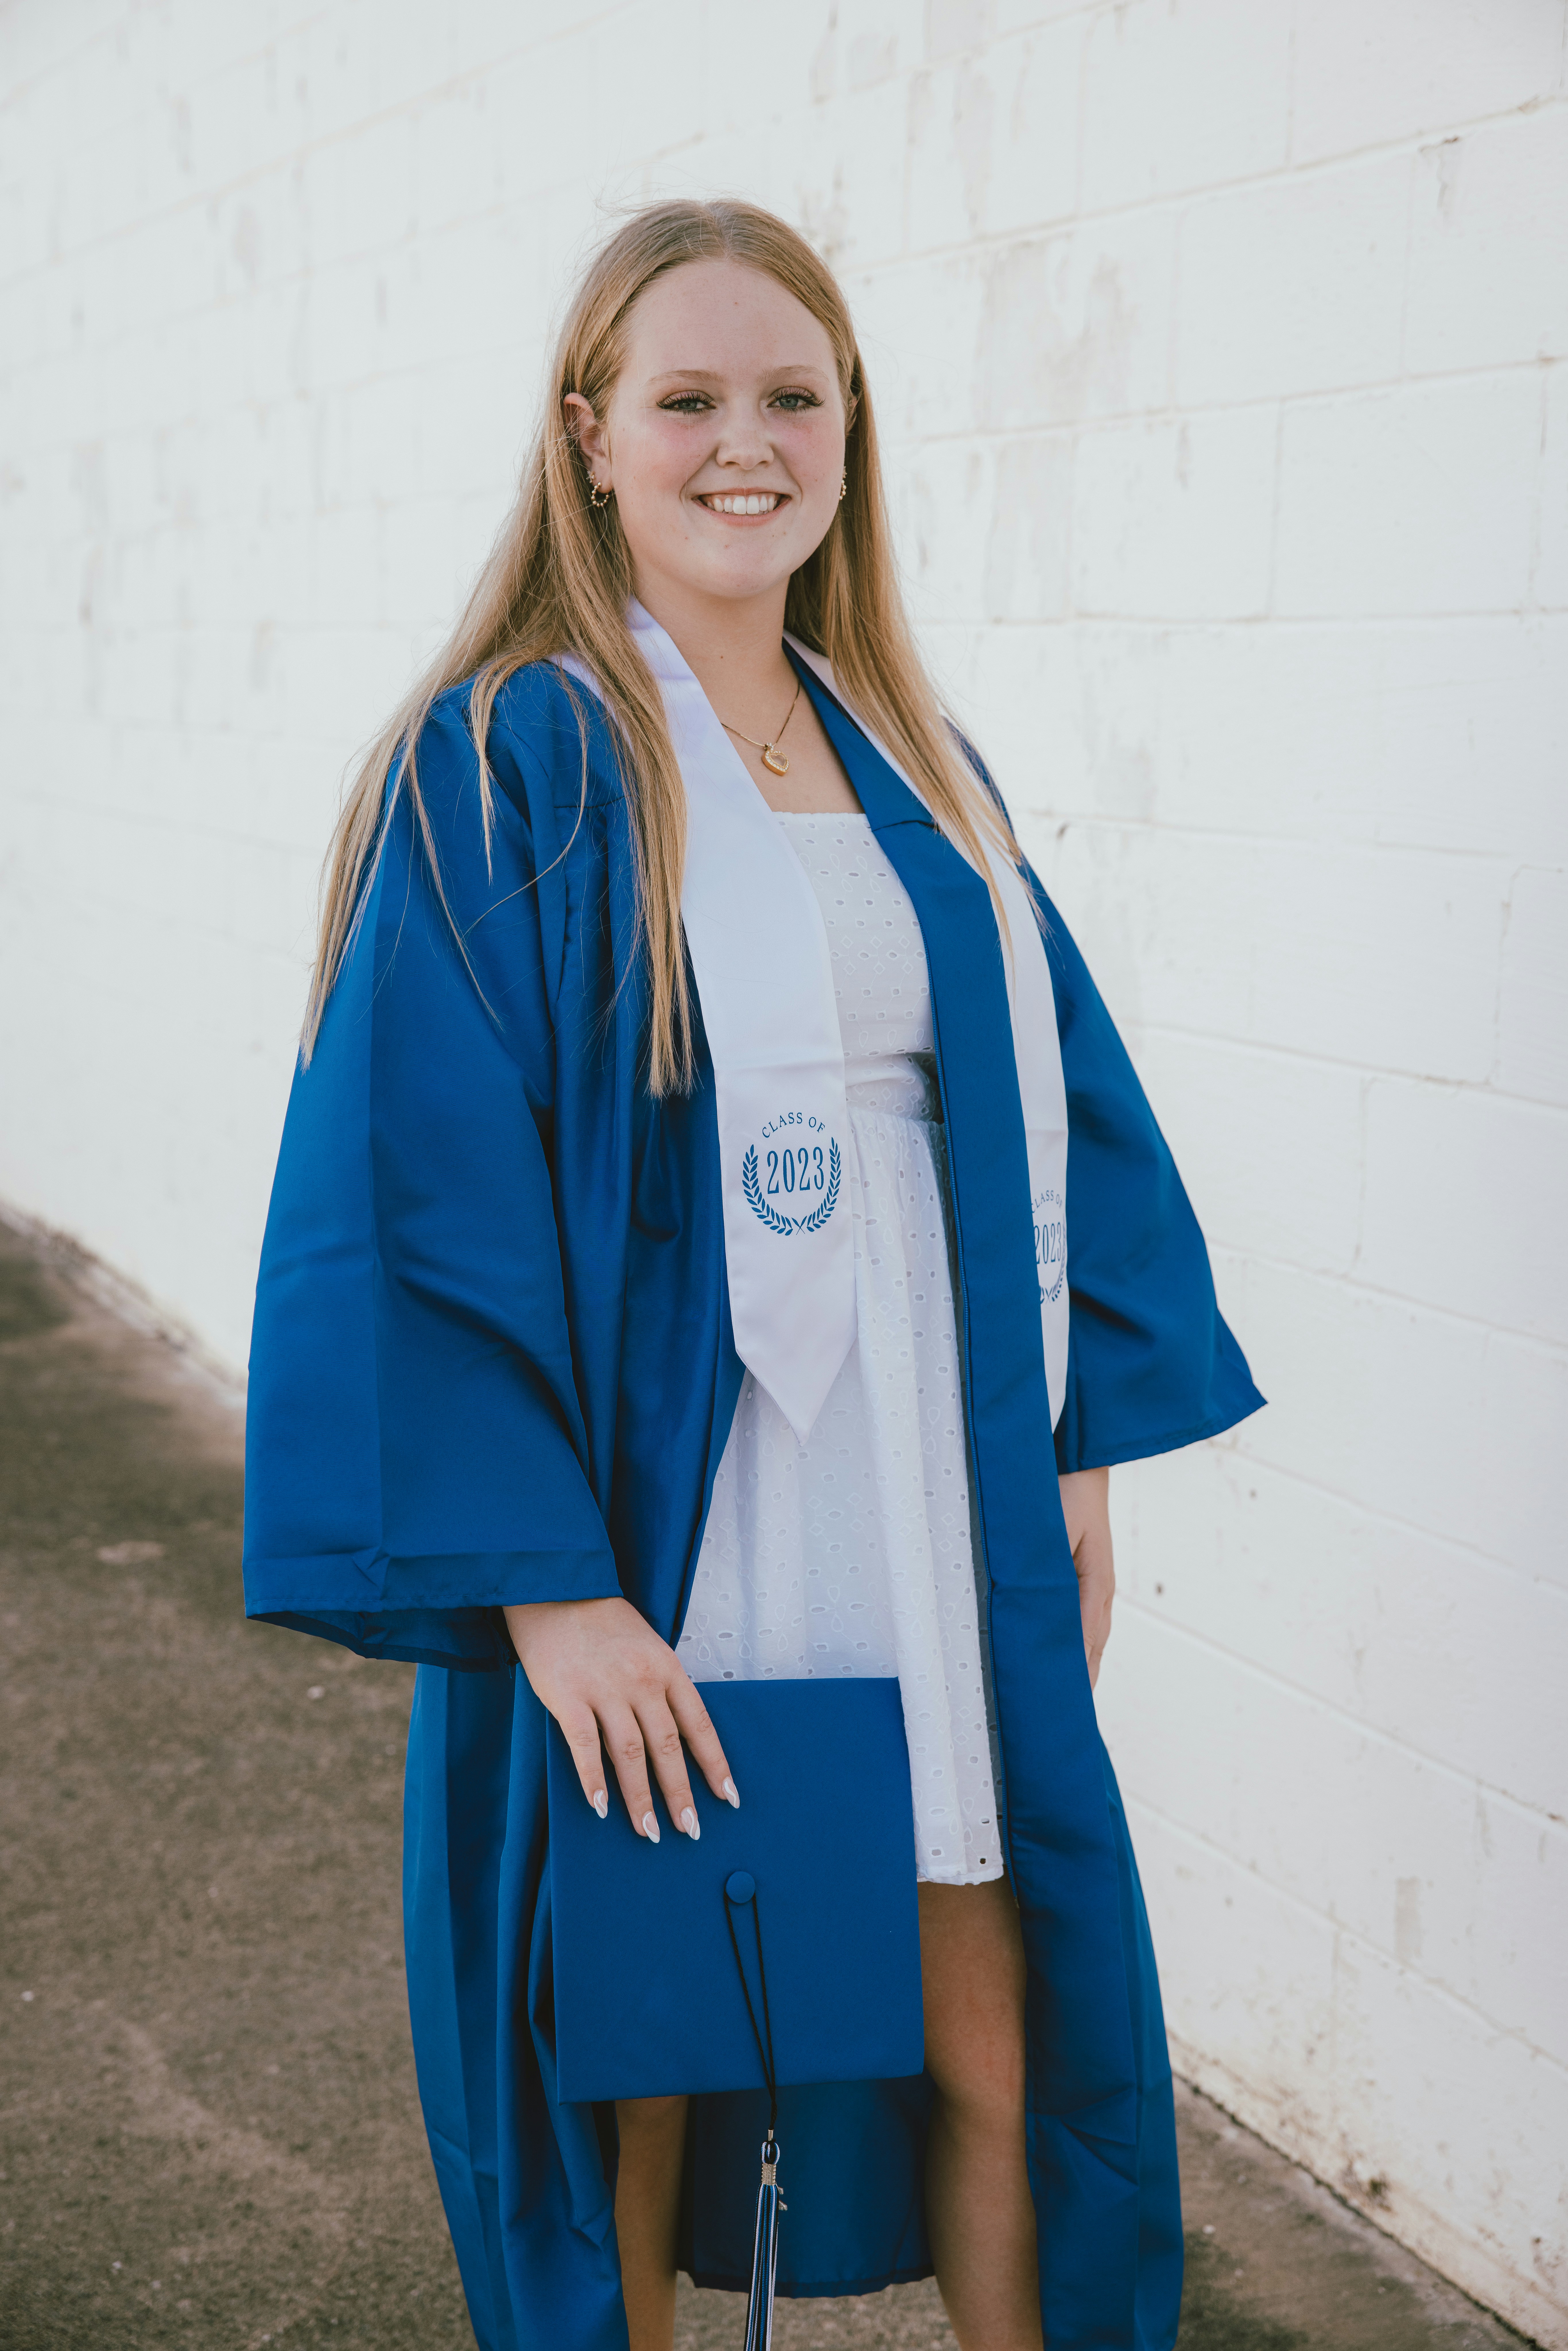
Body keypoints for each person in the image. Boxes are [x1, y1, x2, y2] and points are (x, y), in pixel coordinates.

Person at [242, 198, 1262, 2351]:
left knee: (993, 2020)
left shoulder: (914, 760)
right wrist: (550, 1583)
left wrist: (1068, 1454)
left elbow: (1052, 1127)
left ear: (848, 430)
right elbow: (420, 1190)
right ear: (590, 435)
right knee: (645, 2051)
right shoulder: (516, 754)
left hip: (917, 1481)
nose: (744, 441)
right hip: (667, 1492)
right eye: (688, 397)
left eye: (790, 395)